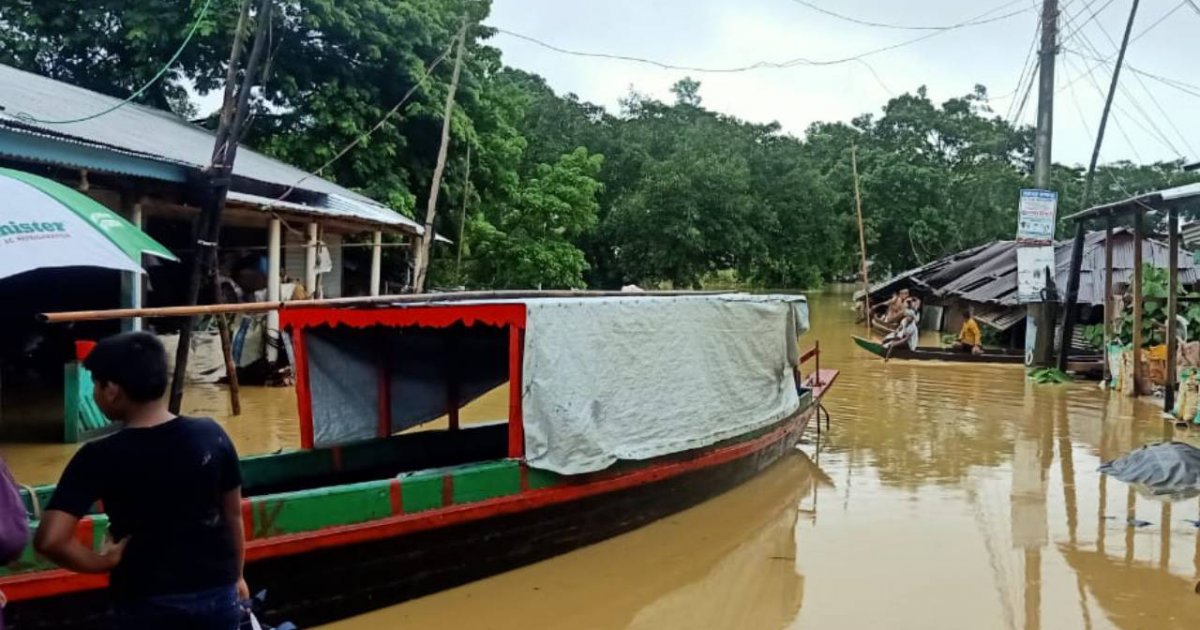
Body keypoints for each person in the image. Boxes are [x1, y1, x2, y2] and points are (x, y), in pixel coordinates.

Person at [34, 332, 247, 629]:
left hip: (146, 601)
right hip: (217, 595)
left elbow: (50, 540)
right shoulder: (211, 435)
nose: (94, 393)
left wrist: (103, 562)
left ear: (112, 390)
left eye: (96, 383)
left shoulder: (98, 456)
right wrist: (238, 577)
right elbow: (233, 515)